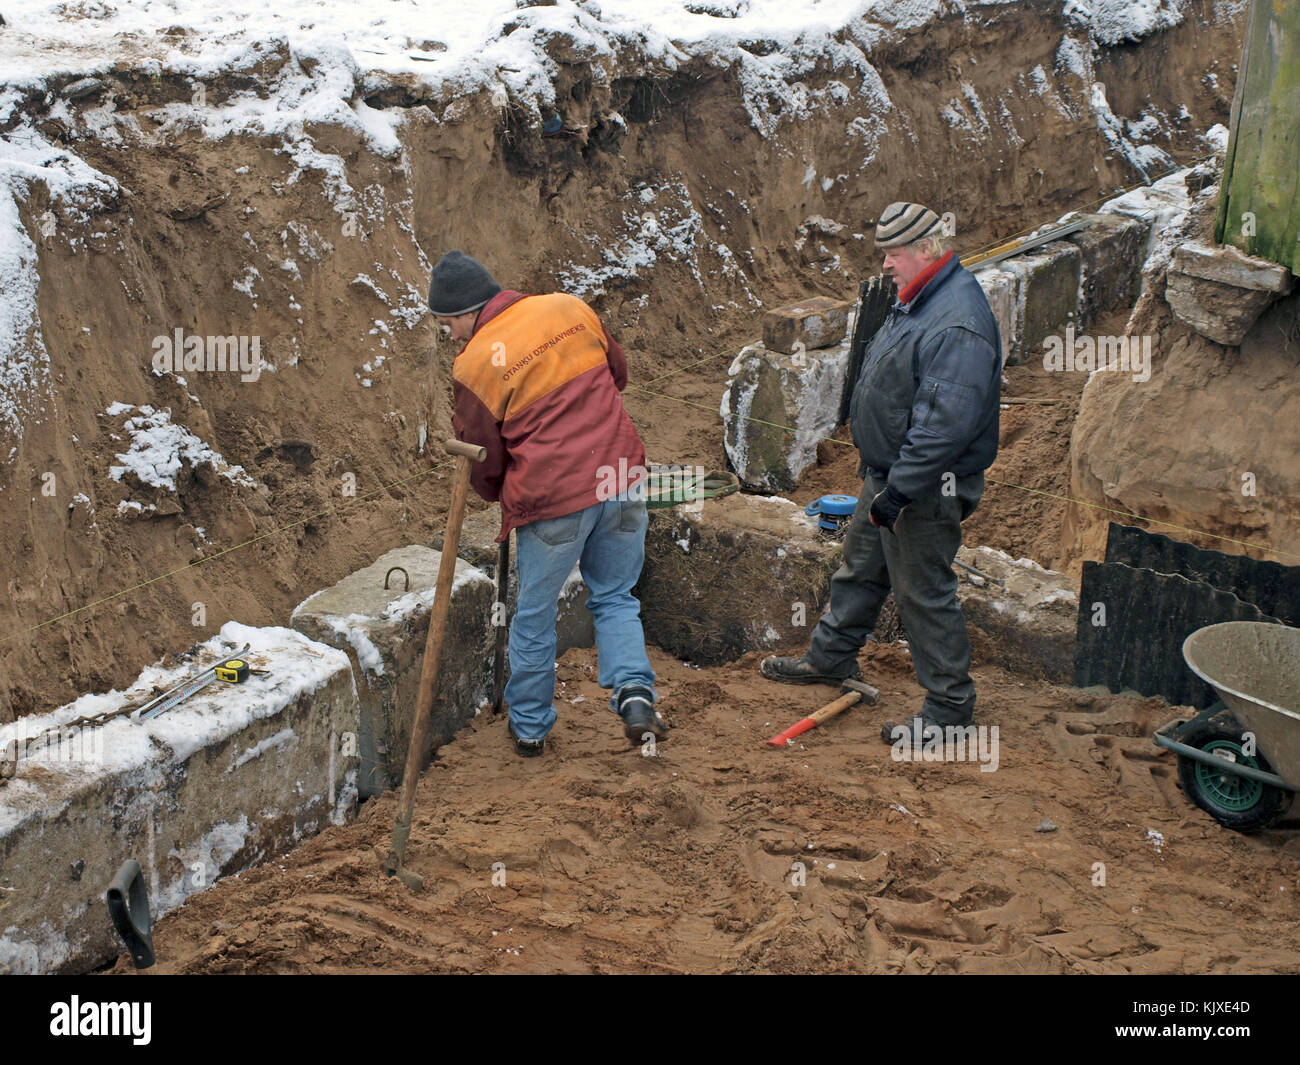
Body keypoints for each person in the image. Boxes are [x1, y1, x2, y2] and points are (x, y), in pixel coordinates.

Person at [761, 202, 1002, 743]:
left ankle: (949, 710)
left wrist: (902, 492)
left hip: (923, 486)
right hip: (892, 474)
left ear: (925, 250)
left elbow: (944, 427)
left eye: (894, 254)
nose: (886, 265)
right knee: (862, 568)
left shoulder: (958, 322)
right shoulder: (922, 297)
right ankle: (831, 657)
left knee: (923, 592)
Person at [429, 250, 665, 757]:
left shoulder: (475, 363)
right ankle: (635, 692)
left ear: (470, 311)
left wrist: (500, 494)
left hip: (554, 497)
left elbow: (483, 456)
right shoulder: (567, 307)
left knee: (534, 615)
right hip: (620, 476)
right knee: (616, 595)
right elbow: (617, 374)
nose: (449, 335)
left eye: (448, 323)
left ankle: (531, 727)